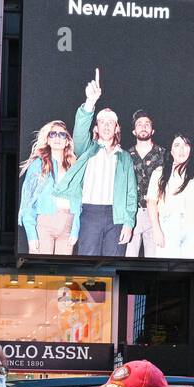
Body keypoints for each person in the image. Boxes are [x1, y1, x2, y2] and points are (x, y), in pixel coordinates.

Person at [56, 69, 138, 256]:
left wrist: (128, 223)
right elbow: (79, 131)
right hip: (89, 214)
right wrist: (90, 102)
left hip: (116, 216)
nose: (107, 125)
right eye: (102, 122)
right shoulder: (87, 149)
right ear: (96, 127)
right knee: (87, 263)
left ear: (116, 128)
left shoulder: (125, 157)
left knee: (114, 264)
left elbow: (131, 194)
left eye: (111, 122)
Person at [18, 120, 80, 254]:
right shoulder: (38, 165)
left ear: (67, 141)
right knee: (41, 265)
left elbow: (78, 200)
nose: (57, 137)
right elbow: (28, 200)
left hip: (68, 223)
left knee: (63, 267)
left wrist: (75, 228)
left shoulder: (74, 167)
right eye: (53, 134)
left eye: (62, 135)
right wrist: (31, 234)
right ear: (47, 139)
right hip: (45, 222)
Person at [147, 135, 194, 259]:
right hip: (167, 229)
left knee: (192, 268)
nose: (182, 150)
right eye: (177, 145)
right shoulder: (159, 173)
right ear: (171, 150)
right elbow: (151, 202)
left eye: (186, 145)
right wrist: (156, 230)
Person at [124, 110, 165, 258]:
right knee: (128, 259)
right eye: (139, 124)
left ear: (152, 130)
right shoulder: (126, 155)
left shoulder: (164, 154)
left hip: (155, 214)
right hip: (132, 214)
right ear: (134, 131)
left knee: (154, 260)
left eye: (147, 124)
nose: (143, 127)